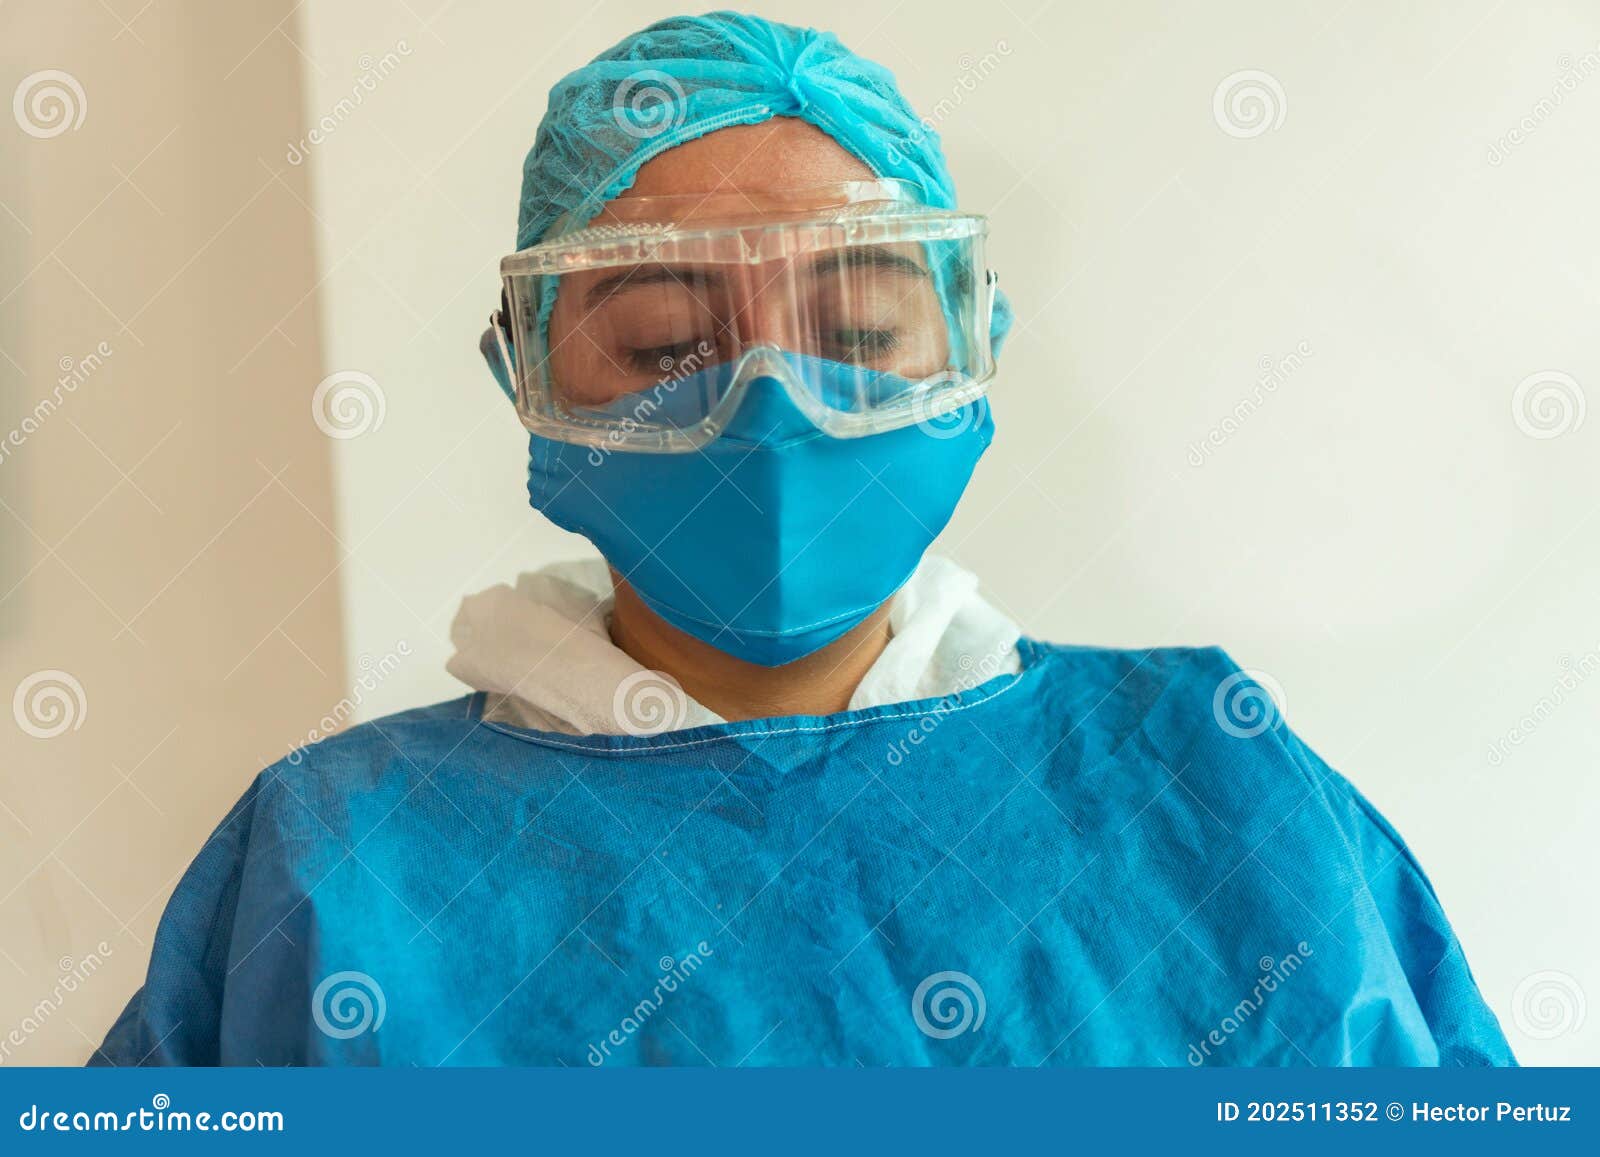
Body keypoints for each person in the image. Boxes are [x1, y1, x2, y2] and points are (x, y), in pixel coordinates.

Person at [94, 11, 1512, 1067]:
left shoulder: (1216, 772)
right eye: (663, 338)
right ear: (522, 381)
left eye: (858, 332)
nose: (770, 405)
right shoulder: (335, 859)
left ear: (974, 348)